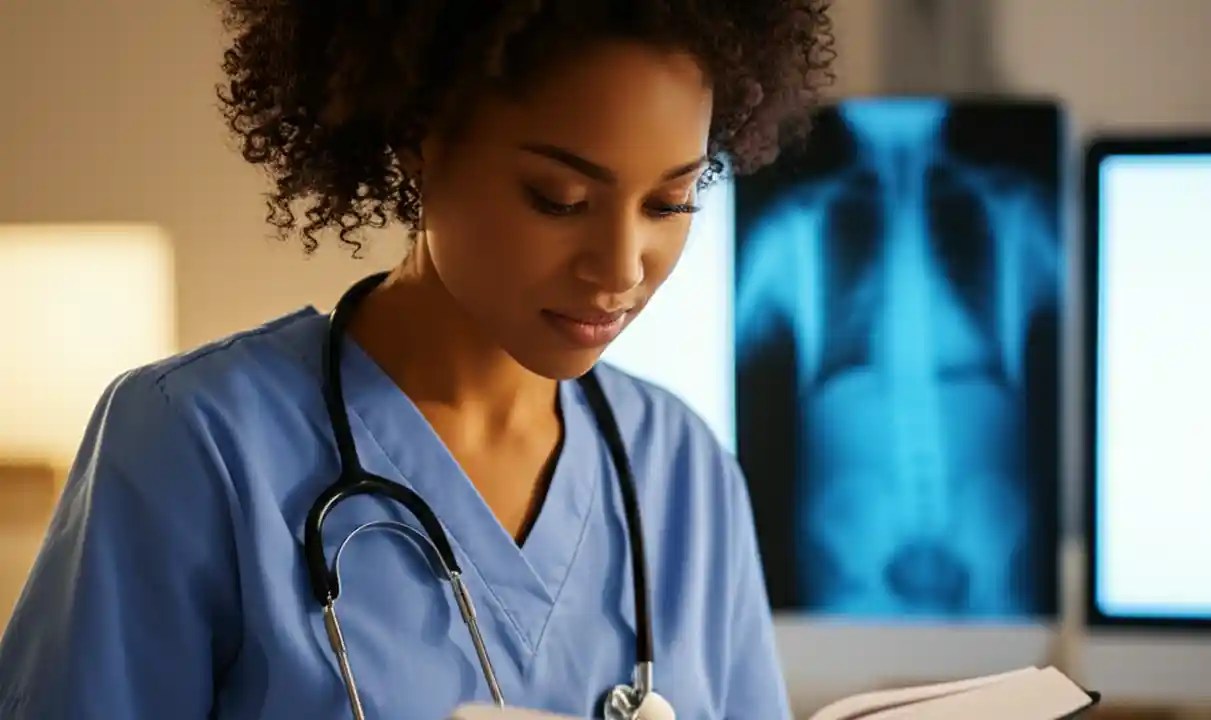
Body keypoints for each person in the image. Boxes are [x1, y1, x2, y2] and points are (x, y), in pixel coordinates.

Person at [0, 1, 835, 717]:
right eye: (560, 200)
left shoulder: (682, 472)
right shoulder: (195, 441)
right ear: (417, 138)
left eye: (669, 202)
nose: (621, 268)